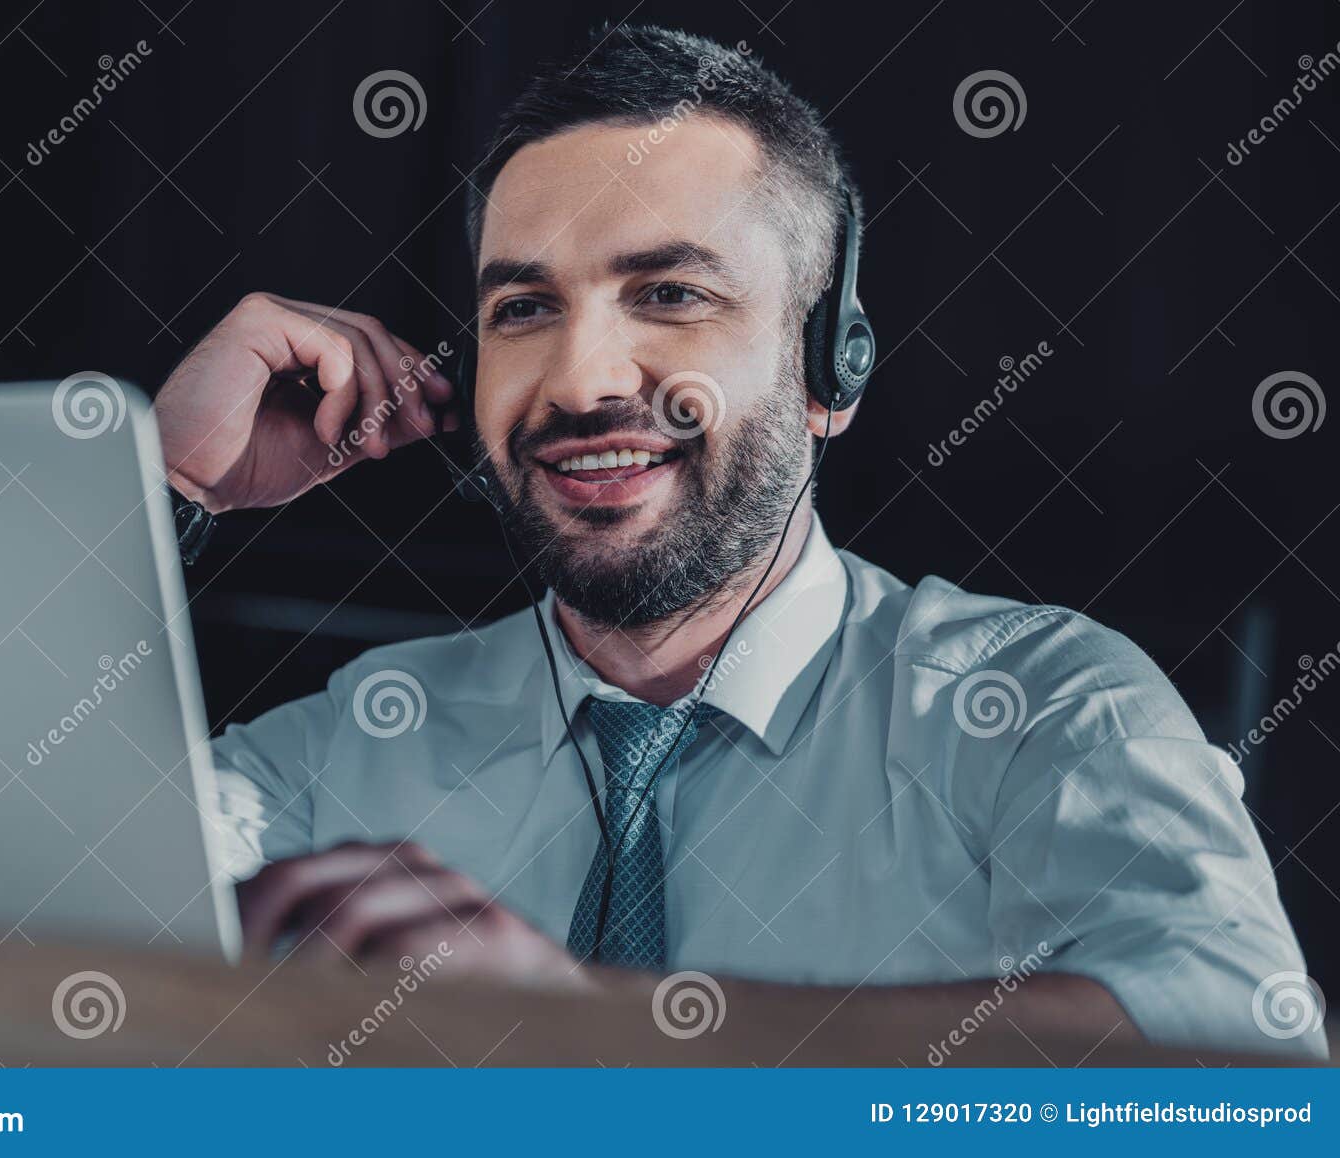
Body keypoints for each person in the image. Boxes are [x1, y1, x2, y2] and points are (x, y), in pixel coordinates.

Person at [153, 25, 1323, 1060]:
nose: (578, 378)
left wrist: (598, 1031)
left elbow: (1233, 1040)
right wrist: (167, 488)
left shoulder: (1040, 706)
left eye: (668, 295)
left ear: (830, 369)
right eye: (522, 309)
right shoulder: (352, 738)